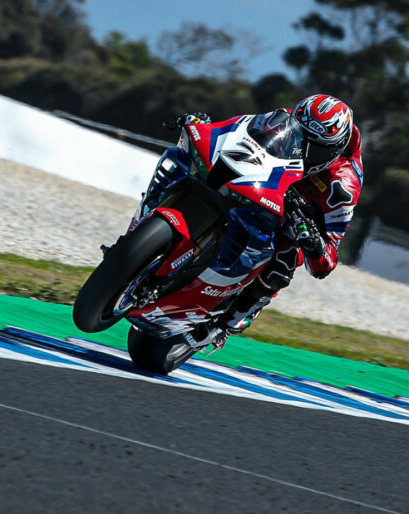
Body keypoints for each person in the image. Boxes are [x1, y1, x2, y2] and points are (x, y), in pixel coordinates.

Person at [139, 94, 364, 349]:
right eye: (301, 137)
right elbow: (237, 129)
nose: (304, 149)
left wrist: (313, 242)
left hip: (293, 212)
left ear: (333, 152)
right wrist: (205, 126)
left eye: (316, 148)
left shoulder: (343, 187)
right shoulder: (291, 118)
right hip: (260, 182)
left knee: (287, 255)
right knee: (182, 160)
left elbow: (326, 263)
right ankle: (146, 220)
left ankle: (227, 323)